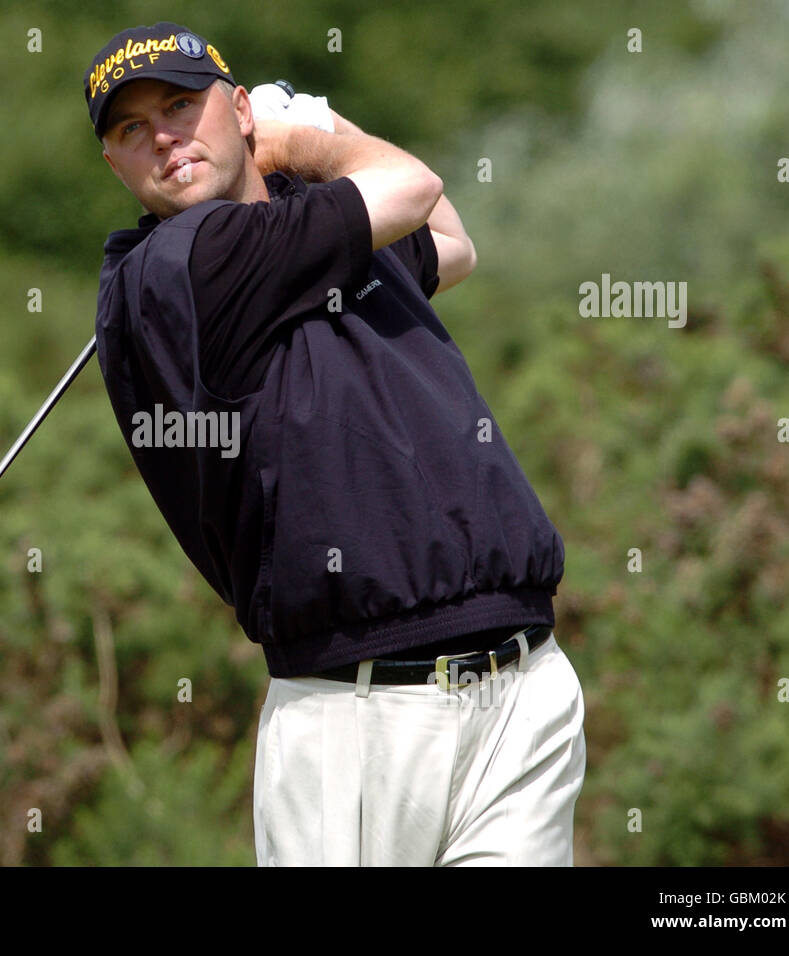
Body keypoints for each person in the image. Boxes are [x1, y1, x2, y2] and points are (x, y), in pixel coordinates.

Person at [82, 21, 586, 865]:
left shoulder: (312, 227)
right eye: (132, 129)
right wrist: (309, 137)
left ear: (236, 109)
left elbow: (454, 244)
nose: (164, 136)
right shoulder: (181, 264)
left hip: (521, 687)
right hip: (352, 720)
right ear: (116, 167)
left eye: (180, 104)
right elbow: (411, 183)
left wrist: (317, 153)